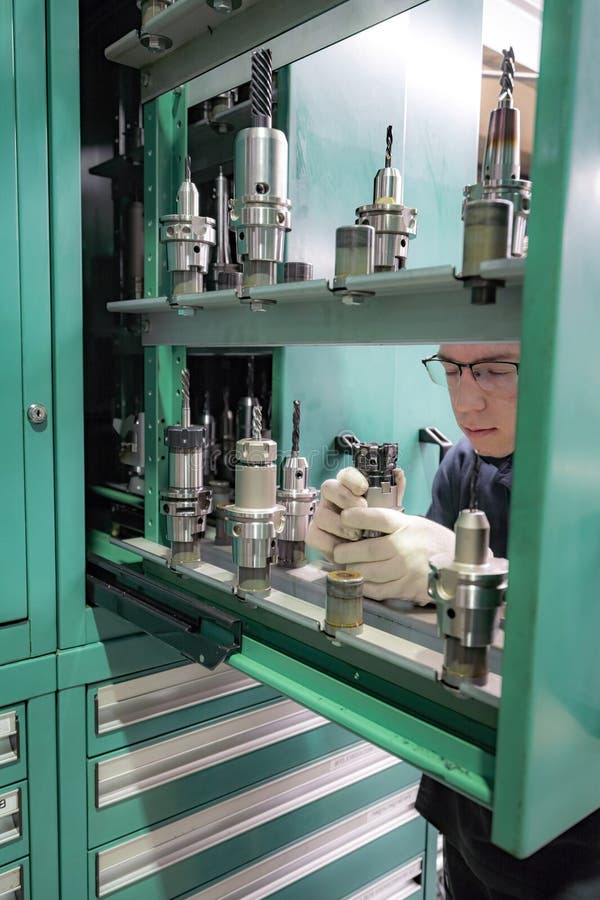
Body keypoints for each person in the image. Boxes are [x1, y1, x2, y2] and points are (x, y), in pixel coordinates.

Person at [307, 343, 600, 900]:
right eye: (449, 370)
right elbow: (427, 609)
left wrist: (472, 573)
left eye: (494, 370)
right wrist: (365, 546)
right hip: (469, 805)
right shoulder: (463, 467)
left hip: (578, 841)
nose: (466, 402)